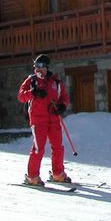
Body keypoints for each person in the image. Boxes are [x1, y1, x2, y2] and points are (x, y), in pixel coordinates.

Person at [17, 53, 71, 186]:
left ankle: (58, 173)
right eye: (35, 65)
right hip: (38, 120)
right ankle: (32, 176)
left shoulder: (56, 82)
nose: (37, 68)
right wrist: (32, 92)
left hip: (53, 119)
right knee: (38, 147)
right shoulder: (31, 81)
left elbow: (64, 97)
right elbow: (21, 96)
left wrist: (62, 106)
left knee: (57, 147)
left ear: (46, 67)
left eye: (40, 65)